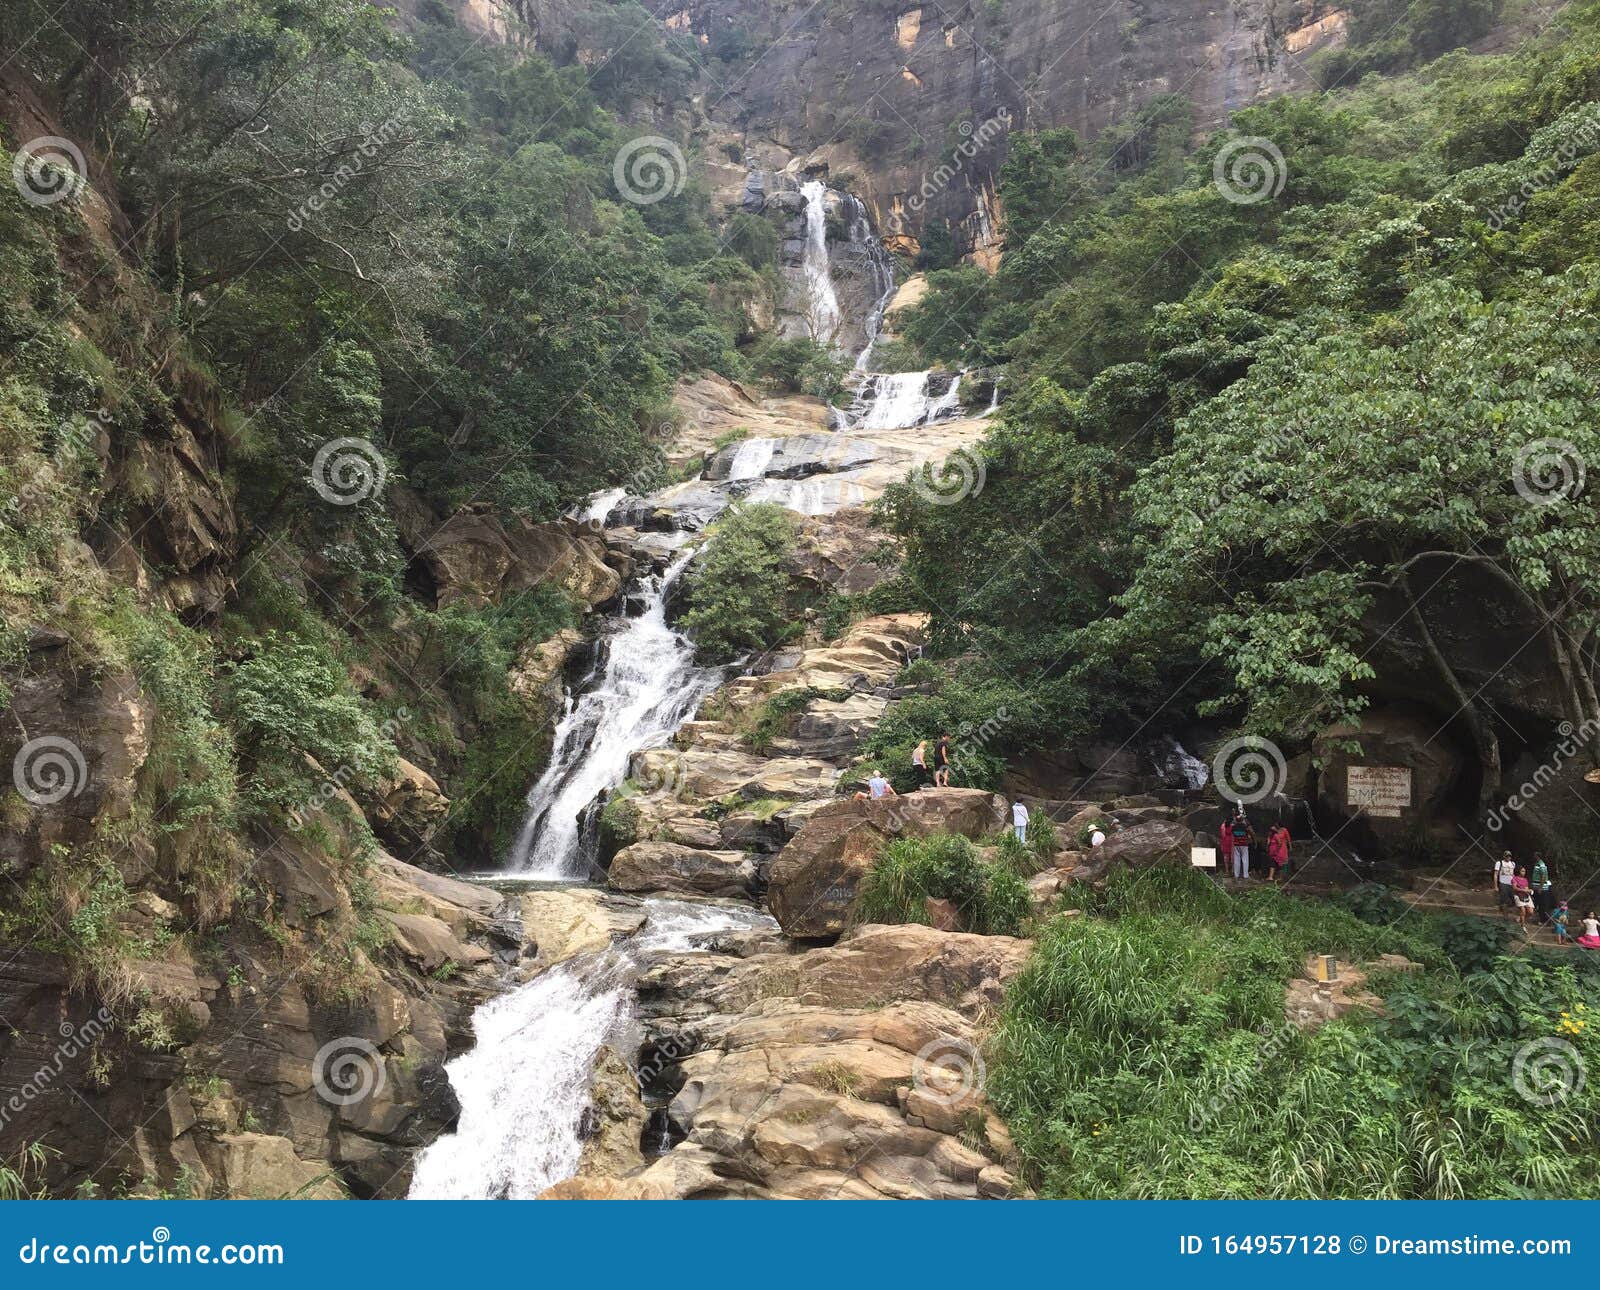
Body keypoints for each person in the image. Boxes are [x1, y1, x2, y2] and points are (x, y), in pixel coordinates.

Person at [1229, 810, 1254, 881]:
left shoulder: (1233, 827)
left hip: (1236, 844)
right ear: (1242, 820)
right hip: (1244, 844)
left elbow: (1232, 832)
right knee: (1245, 859)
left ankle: (1236, 875)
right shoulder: (1245, 827)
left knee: (1236, 859)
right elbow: (1250, 833)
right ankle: (1245, 875)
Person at [1492, 851, 1516, 916]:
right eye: (1507, 856)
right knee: (1504, 900)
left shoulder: (1513, 864)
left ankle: (1505, 910)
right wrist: (1496, 886)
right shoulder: (1499, 863)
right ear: (1504, 856)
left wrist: (1515, 883)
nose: (1508, 857)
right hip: (1503, 883)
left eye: (1509, 856)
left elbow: (1513, 874)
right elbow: (1495, 874)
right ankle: (1504, 914)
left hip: (1511, 884)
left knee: (1513, 899)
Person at [1531, 853, 1552, 922]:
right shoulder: (1536, 864)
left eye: (1534, 856)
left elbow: (1543, 876)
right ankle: (1540, 918)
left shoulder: (1541, 864)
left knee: (1543, 904)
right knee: (1538, 904)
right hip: (1536, 887)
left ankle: (1544, 920)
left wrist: (1540, 887)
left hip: (1542, 888)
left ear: (1537, 856)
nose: (1533, 857)